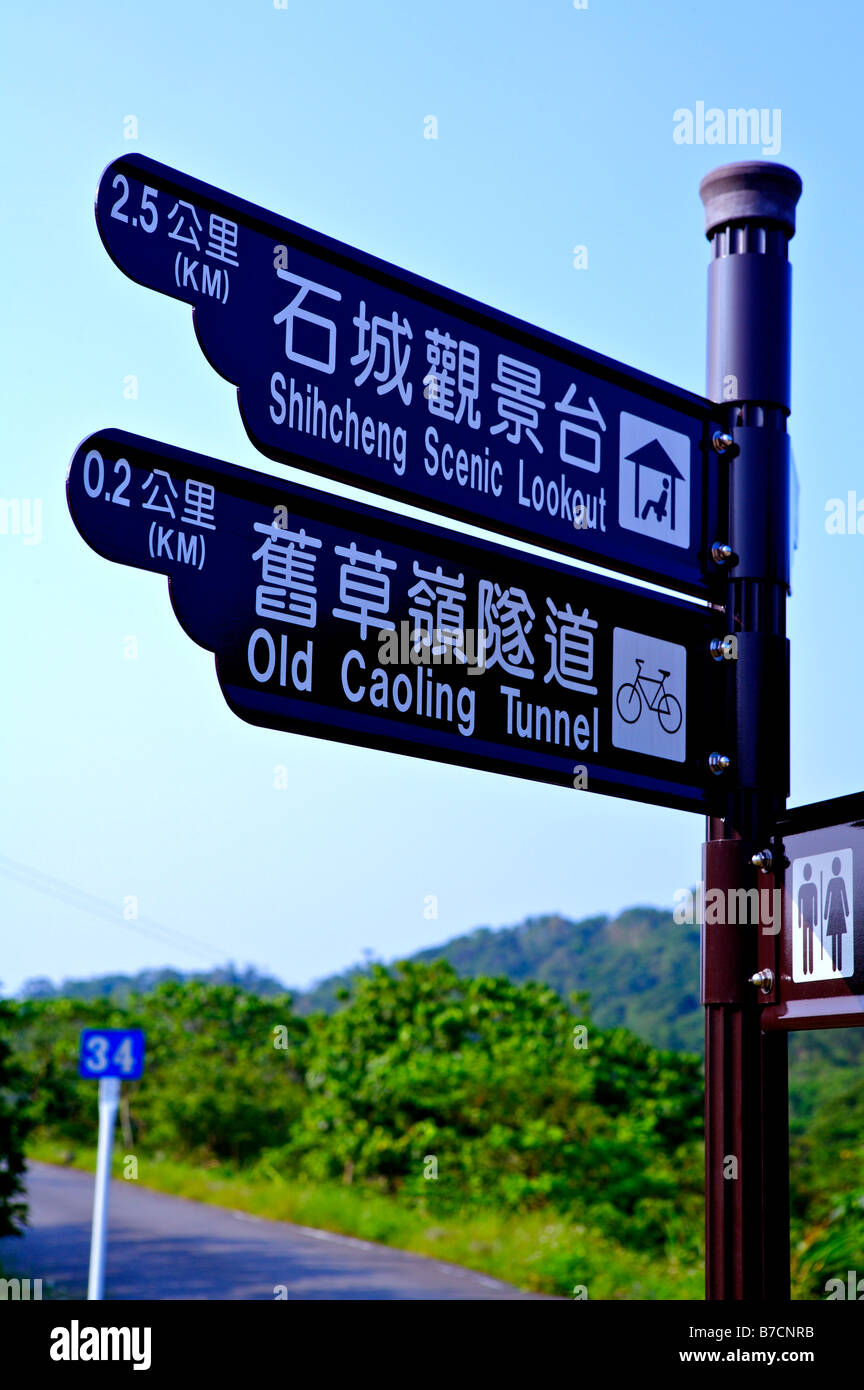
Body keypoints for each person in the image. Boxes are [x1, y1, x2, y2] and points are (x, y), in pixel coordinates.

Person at [822, 857, 849, 973]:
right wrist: (826, 913)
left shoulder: (840, 881)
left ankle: (839, 965)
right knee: (834, 938)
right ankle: (835, 965)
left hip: (838, 912)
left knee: (839, 938)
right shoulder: (832, 882)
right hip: (834, 913)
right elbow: (828, 897)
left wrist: (847, 910)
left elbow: (844, 895)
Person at [797, 863, 818, 975]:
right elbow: (799, 904)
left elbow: (815, 904)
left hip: (810, 919)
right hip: (806, 919)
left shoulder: (812, 887)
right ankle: (806, 968)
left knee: (811, 943)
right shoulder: (803, 888)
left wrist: (815, 919)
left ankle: (810, 968)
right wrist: (800, 921)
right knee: (805, 944)